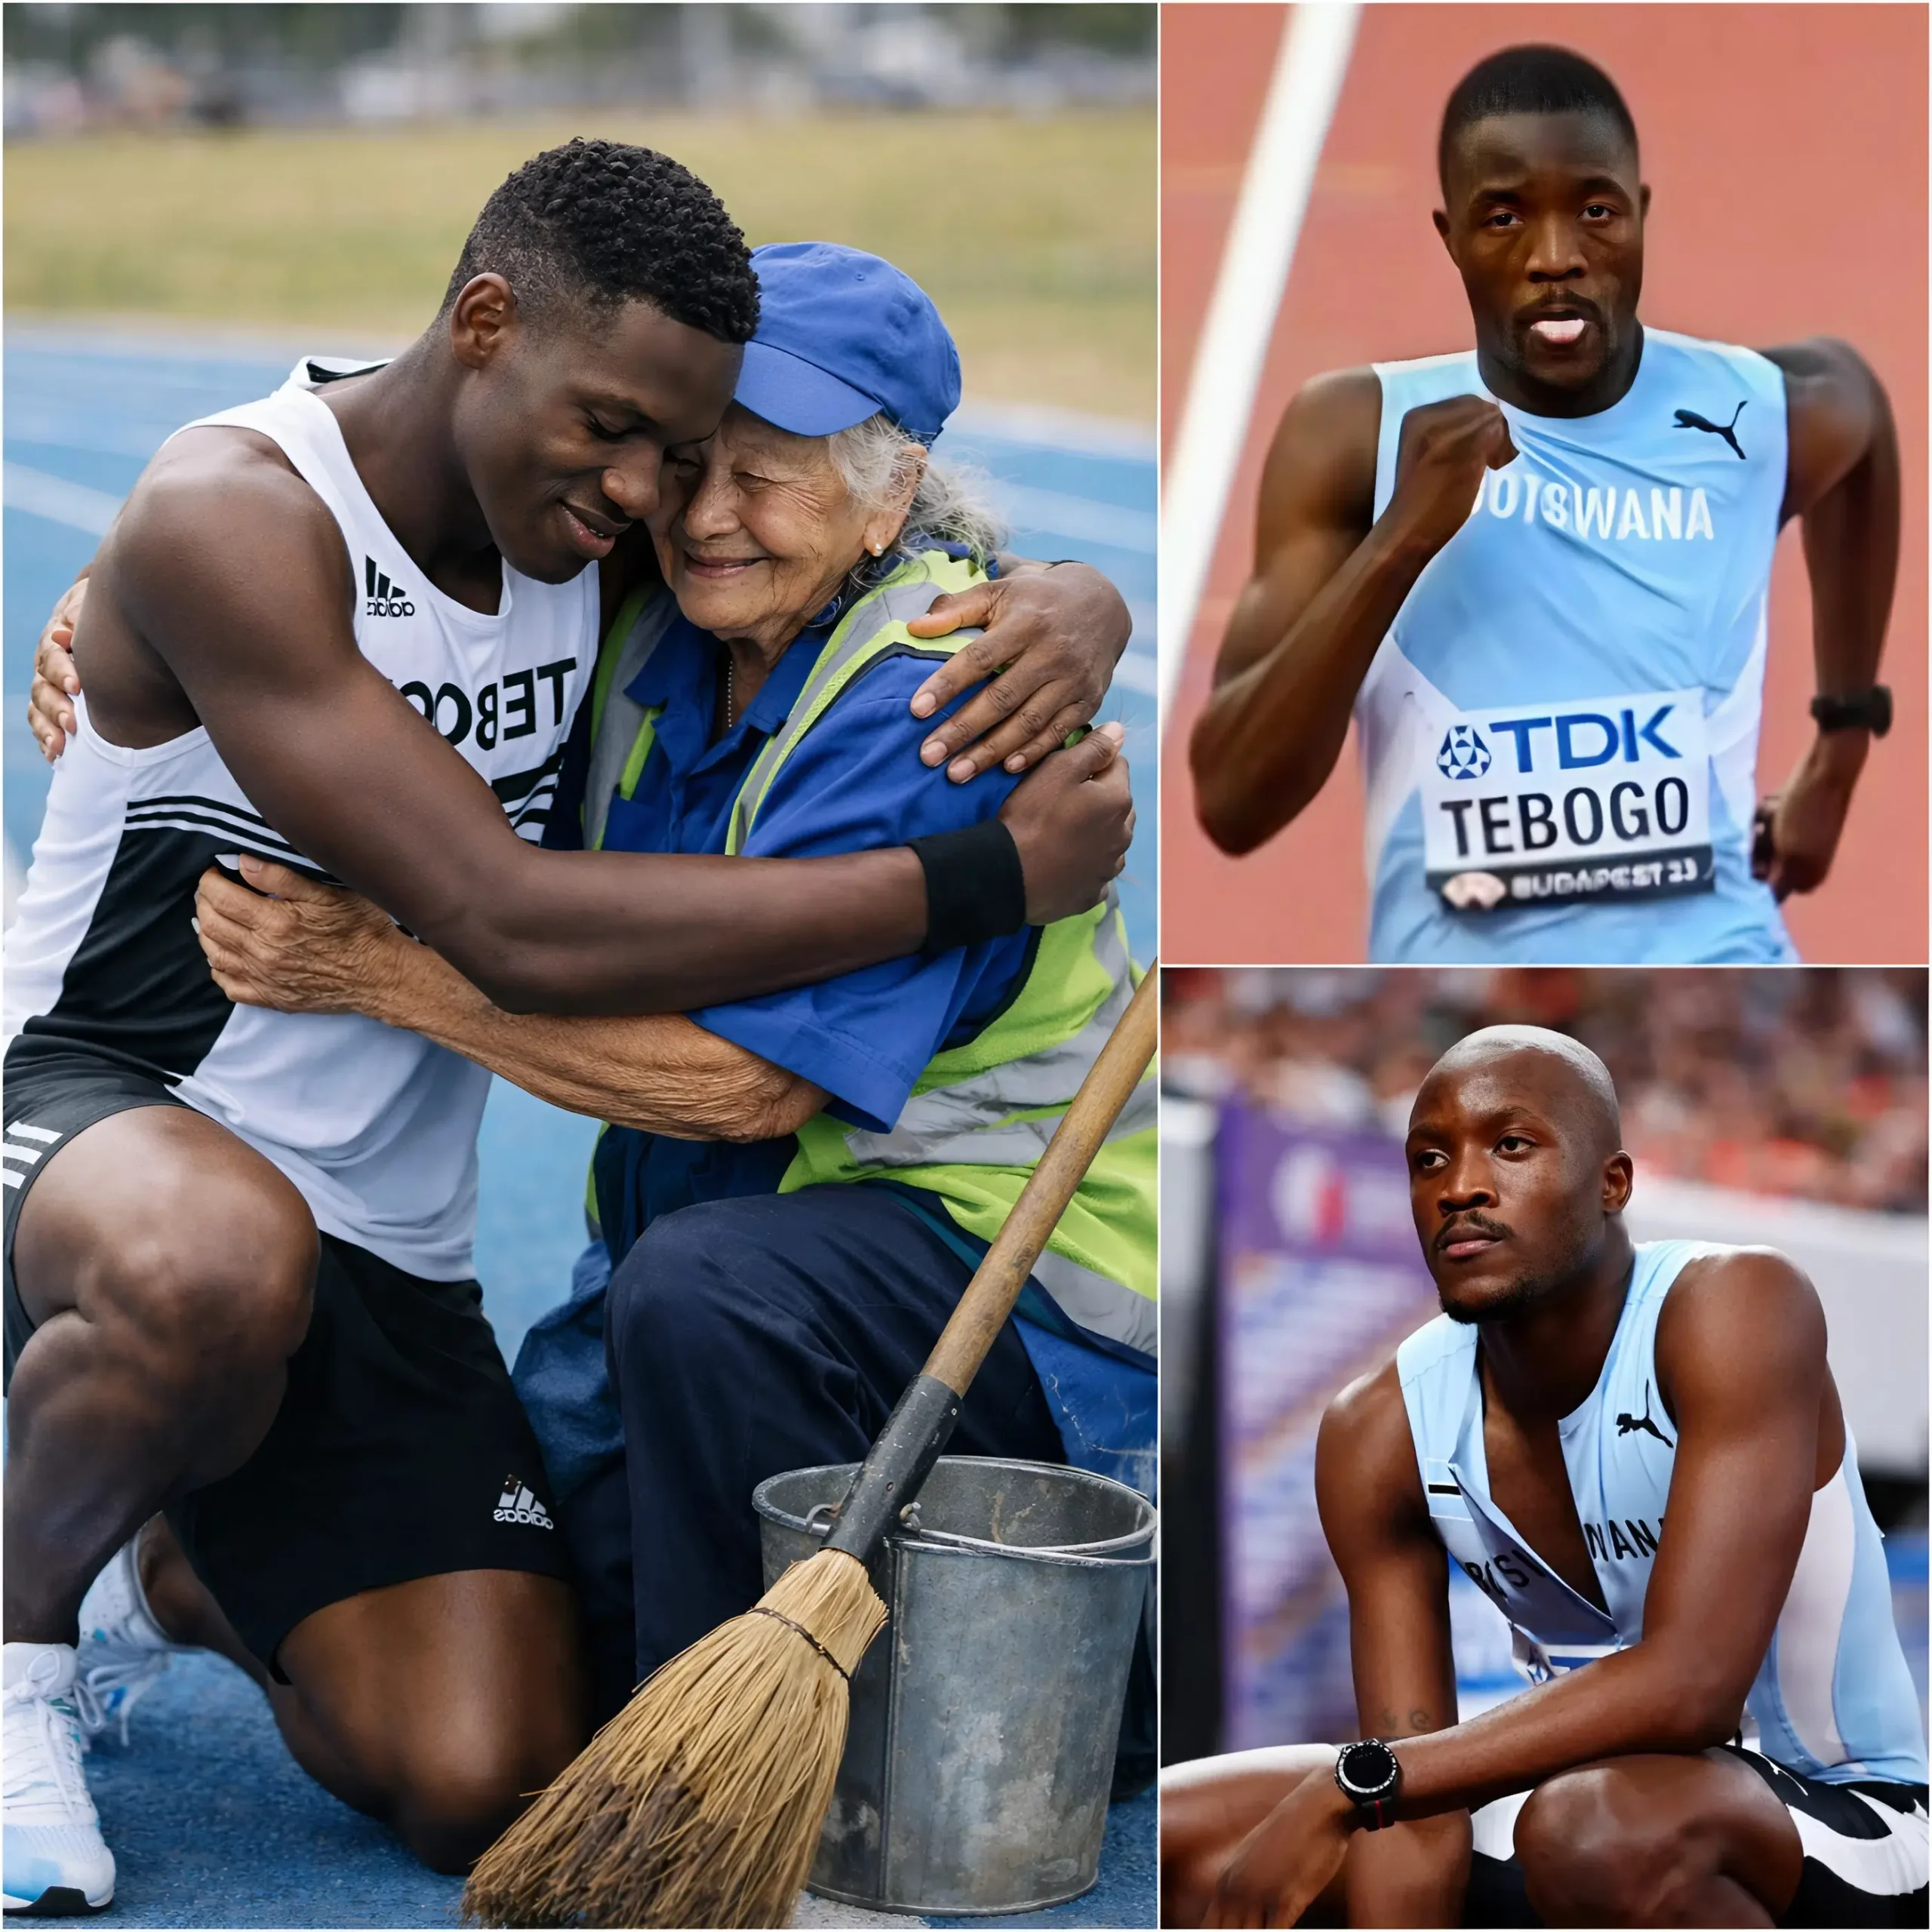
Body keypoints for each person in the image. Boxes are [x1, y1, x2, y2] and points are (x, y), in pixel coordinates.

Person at [2, 143, 1134, 1916]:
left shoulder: (734, 613)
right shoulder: (383, 541)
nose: (667, 500)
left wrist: (1077, 605)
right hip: (129, 1133)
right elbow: (486, 878)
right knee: (242, 1273)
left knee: (494, 1765)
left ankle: (169, 1559)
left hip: (513, 1247)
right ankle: (20, 1658)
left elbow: (847, 557)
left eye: (705, 463)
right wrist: (122, 595)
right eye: (651, 446)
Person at [1161, 1026, 1928, 1928]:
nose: (1460, 1186)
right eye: (1429, 1159)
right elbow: (1412, 1806)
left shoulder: (1735, 1306)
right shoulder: (1376, 1428)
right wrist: (1364, 1792)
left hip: (1842, 1816)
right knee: (1181, 1834)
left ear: (1613, 1184)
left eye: (1511, 1145)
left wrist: (1358, 1781)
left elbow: (1691, 1687)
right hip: (1567, 1806)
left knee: (1594, 1830)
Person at [1189, 45, 1900, 965]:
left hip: (1717, 953)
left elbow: (1864, 419)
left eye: (1595, 211)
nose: (1555, 258)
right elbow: (1233, 805)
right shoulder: (1358, 434)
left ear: (1641, 214)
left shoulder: (1753, 412)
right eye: (1504, 218)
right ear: (1450, 236)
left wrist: (1840, 749)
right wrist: (1402, 538)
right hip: (1459, 977)